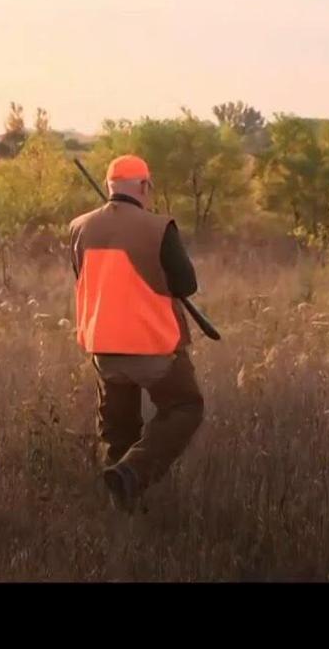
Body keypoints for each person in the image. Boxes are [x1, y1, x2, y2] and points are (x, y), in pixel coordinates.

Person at [67, 154, 205, 511]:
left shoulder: (79, 227)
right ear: (143, 186)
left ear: (110, 185)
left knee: (117, 430)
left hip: (103, 349)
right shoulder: (159, 228)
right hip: (151, 347)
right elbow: (186, 285)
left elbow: (83, 276)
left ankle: (122, 507)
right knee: (185, 407)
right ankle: (132, 472)